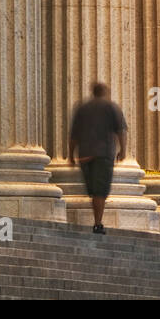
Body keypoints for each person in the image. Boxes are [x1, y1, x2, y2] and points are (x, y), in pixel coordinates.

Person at [68, 82, 127, 235]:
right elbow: (120, 131)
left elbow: (73, 135)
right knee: (100, 192)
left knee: (93, 191)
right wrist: (123, 150)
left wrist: (70, 155)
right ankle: (98, 224)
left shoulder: (82, 108)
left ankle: (97, 220)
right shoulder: (111, 107)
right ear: (105, 92)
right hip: (103, 155)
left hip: (85, 155)